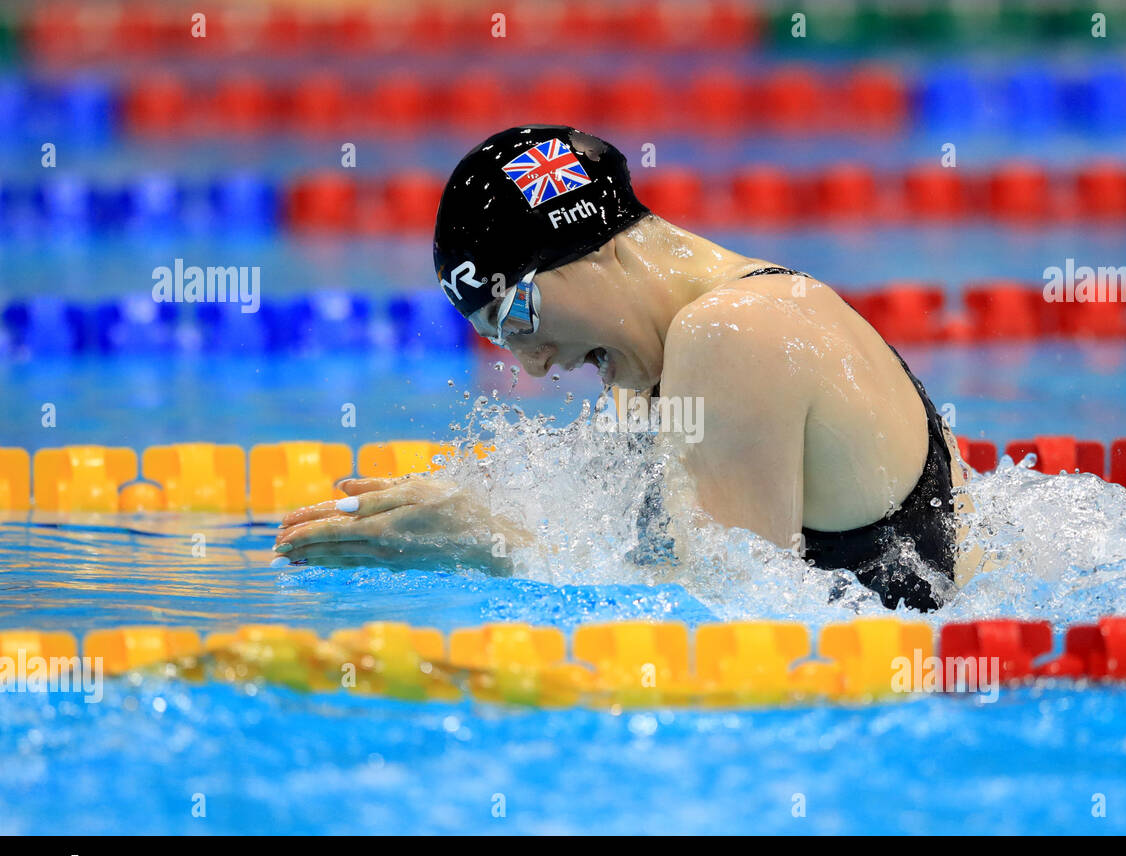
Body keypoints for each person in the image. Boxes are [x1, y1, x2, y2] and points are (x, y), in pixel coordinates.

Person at [273, 125, 976, 611]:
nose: (534, 363)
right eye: (499, 339)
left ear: (591, 249)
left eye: (517, 317)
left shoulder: (734, 330)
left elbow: (736, 610)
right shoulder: (663, 361)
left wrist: (490, 547)